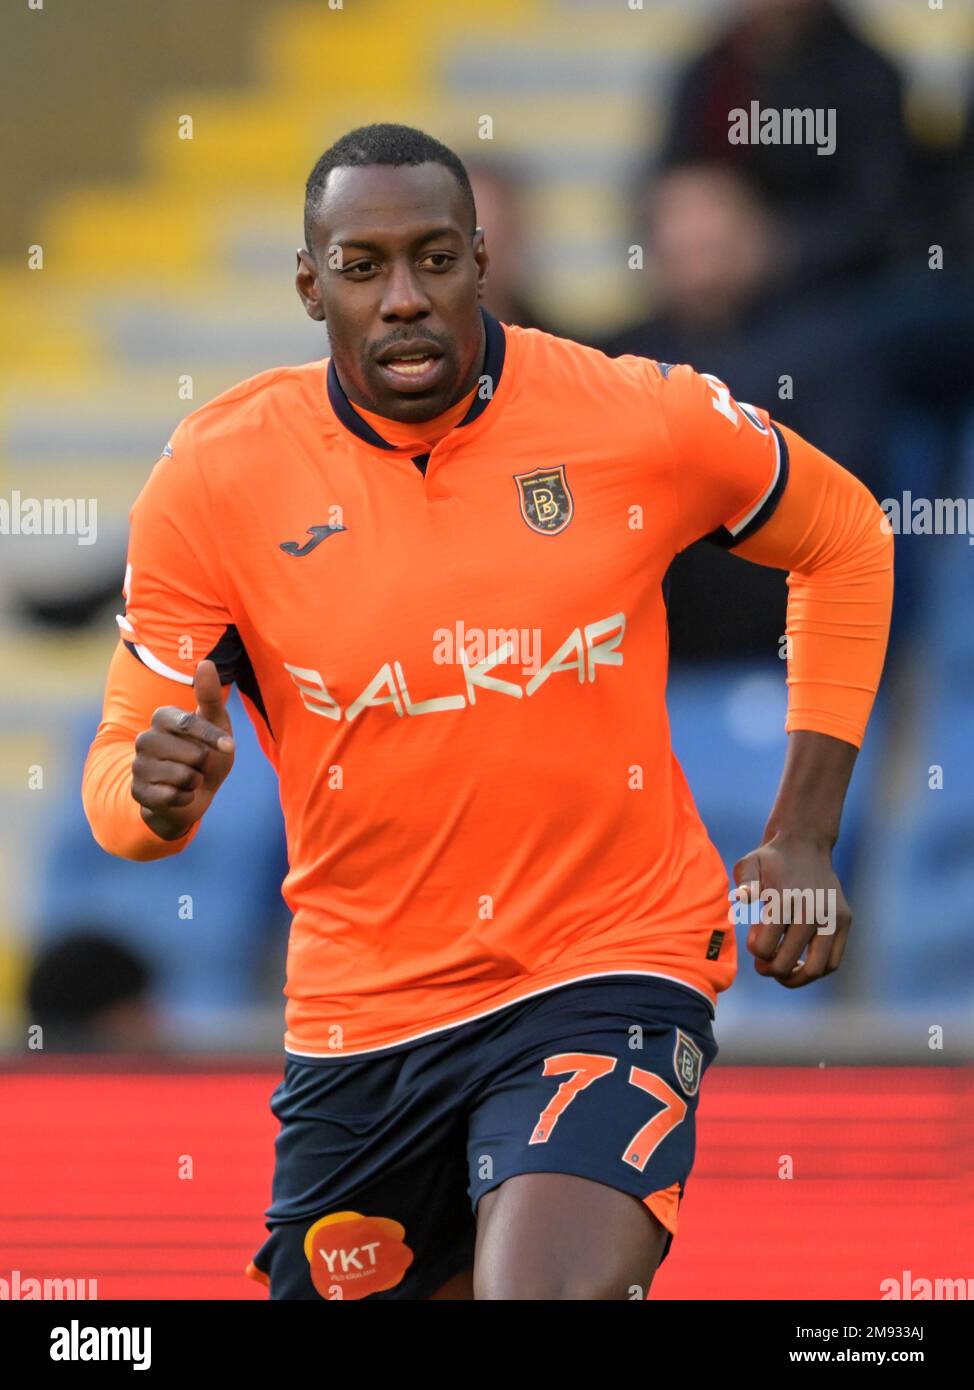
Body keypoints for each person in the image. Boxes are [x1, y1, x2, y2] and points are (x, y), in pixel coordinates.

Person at [81, 123, 893, 1301]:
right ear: (311, 286)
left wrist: (804, 827)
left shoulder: (630, 416)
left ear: (480, 259)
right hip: (364, 1019)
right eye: (362, 267)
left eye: (433, 260)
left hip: (604, 966)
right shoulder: (215, 479)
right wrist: (157, 794)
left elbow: (844, 536)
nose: (402, 298)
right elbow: (119, 793)